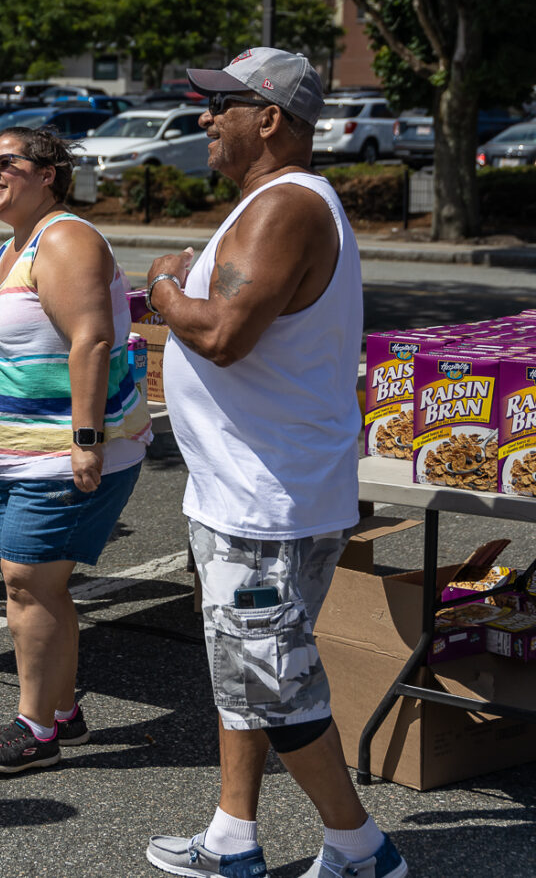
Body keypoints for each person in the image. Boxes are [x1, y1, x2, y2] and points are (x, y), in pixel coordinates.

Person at [142, 48, 406, 878]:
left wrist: (160, 289)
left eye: (223, 104)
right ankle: (231, 836)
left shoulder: (286, 205)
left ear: (271, 119)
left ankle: (361, 848)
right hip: (252, 493)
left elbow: (221, 336)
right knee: (244, 673)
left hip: (265, 504)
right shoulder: (272, 202)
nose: (205, 119)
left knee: (278, 690)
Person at [0, 126, 151, 773]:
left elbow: (89, 338)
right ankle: (63, 712)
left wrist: (85, 441)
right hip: (16, 456)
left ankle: (36, 729)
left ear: (49, 173)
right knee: (38, 588)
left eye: (7, 163)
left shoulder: (66, 238)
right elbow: (13, 333)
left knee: (30, 586)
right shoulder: (15, 248)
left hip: (60, 455)